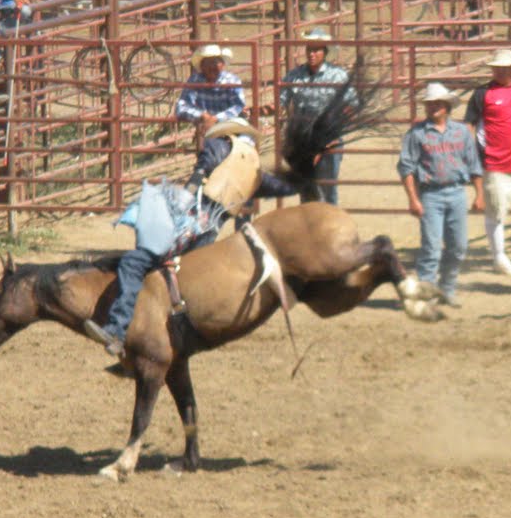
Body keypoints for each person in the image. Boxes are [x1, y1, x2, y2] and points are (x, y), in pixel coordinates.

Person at [84, 118, 299, 357]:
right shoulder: (254, 171)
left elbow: (201, 172)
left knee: (135, 263)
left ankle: (116, 329)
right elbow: (286, 187)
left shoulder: (220, 146)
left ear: (228, 134)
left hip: (188, 226)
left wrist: (185, 196)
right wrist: (307, 173)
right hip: (207, 237)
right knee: (177, 279)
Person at [397, 83, 484, 305]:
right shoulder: (416, 134)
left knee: (458, 247)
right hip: (430, 194)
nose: (433, 107)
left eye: (437, 103)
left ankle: (447, 288)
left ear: (446, 106)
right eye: (430, 104)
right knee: (431, 247)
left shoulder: (462, 132)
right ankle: (428, 291)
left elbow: (474, 165)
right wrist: (413, 199)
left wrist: (479, 194)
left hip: (456, 192)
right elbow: (406, 168)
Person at [464, 48, 511, 275]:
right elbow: (470, 123)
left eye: (506, 68)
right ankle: (499, 257)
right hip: (495, 164)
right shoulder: (482, 93)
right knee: (496, 210)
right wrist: (471, 153)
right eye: (498, 68)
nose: (501, 71)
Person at [279, 27, 352, 204]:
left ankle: (329, 223)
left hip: (328, 138)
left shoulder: (338, 76)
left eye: (316, 50)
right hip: (303, 139)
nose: (311, 54)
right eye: (309, 49)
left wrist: (335, 129)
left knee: (328, 187)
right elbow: (281, 101)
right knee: (306, 187)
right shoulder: (294, 75)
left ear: (324, 52)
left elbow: (350, 106)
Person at [175, 44, 245, 133]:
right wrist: (203, 116)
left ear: (222, 65)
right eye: (208, 63)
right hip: (207, 128)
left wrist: (216, 119)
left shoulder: (232, 80)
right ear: (202, 66)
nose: (212, 66)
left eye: (215, 62)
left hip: (230, 127)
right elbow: (181, 106)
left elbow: (238, 106)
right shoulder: (195, 80)